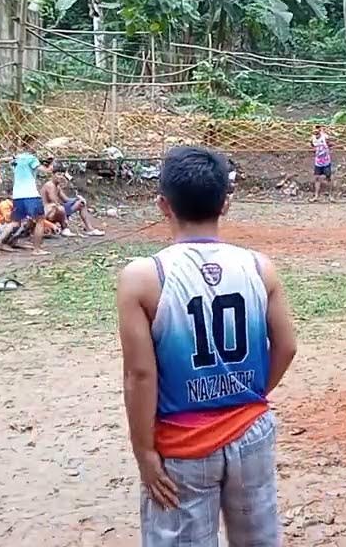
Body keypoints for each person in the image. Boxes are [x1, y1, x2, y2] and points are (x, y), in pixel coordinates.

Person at [115, 146, 297, 546]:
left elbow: (140, 375)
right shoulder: (258, 266)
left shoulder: (144, 277)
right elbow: (286, 346)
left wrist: (144, 450)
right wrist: (251, 393)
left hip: (181, 444)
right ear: (226, 204)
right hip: (250, 431)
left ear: (164, 205)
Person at [0, 143, 50, 257]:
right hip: (30, 194)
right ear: (30, 146)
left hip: (17, 196)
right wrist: (52, 165)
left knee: (15, 222)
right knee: (40, 220)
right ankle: (37, 249)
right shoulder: (31, 158)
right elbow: (45, 171)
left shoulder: (15, 160)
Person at [41, 168, 105, 237]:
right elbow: (55, 202)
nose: (61, 177)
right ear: (53, 175)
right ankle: (65, 228)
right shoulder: (49, 185)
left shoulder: (57, 187)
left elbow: (66, 200)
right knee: (60, 208)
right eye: (58, 174)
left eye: (62, 175)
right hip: (48, 212)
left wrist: (77, 199)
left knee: (81, 204)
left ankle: (89, 229)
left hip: (57, 209)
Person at [310, 125, 334, 203]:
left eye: (317, 131)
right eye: (314, 132)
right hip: (318, 162)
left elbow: (331, 144)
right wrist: (315, 150)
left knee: (328, 178)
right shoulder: (312, 138)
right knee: (317, 178)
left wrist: (328, 147)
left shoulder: (325, 137)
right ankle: (316, 196)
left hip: (326, 161)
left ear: (320, 131)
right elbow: (311, 146)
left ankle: (330, 195)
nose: (315, 133)